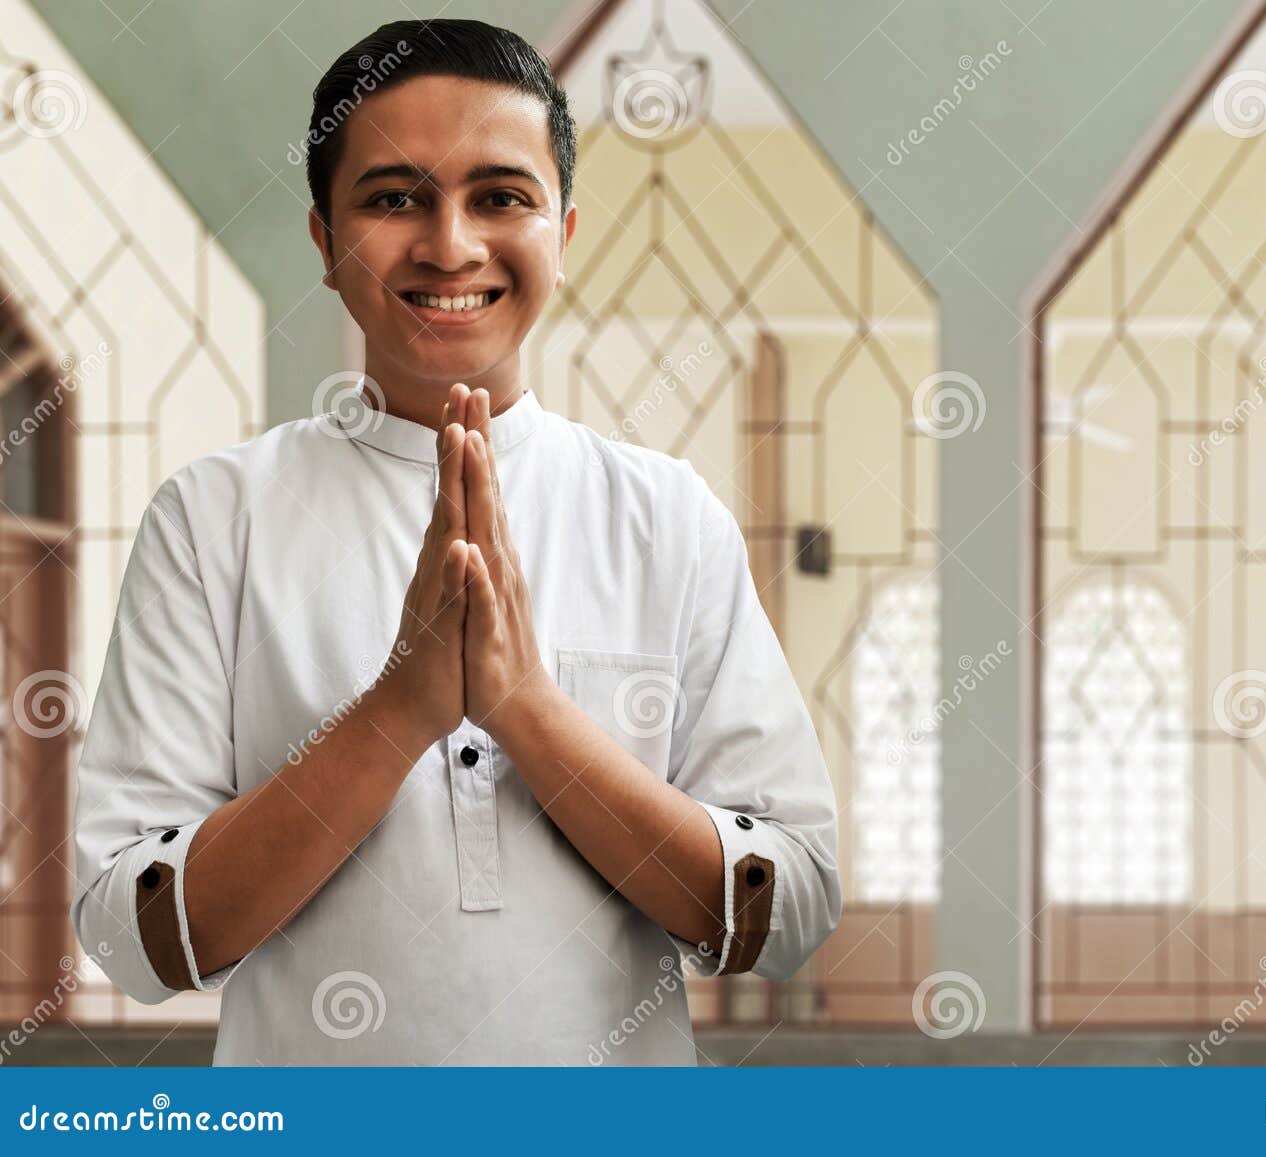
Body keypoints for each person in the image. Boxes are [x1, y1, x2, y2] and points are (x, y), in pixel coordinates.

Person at [69, 18, 840, 1065]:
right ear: (324, 240)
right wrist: (399, 708)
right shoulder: (215, 517)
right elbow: (131, 934)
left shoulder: (667, 515)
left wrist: (524, 707)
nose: (450, 244)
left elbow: (787, 906)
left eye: (500, 197)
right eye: (393, 198)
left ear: (562, 232)